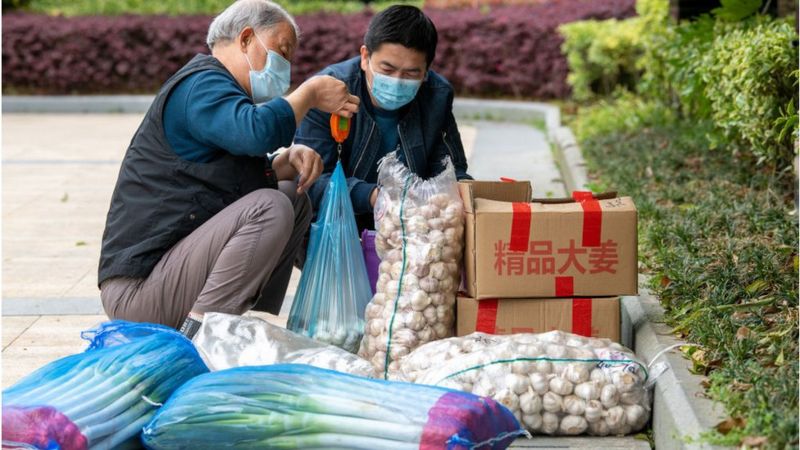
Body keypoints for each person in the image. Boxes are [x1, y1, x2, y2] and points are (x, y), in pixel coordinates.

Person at [97, 0, 360, 338]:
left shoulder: (222, 94)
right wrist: (308, 94)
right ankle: (201, 333)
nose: (286, 68)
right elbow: (255, 132)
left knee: (290, 197)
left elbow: (225, 180)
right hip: (140, 289)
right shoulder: (202, 84)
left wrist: (281, 163)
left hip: (173, 274)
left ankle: (225, 318)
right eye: (281, 52)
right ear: (246, 38)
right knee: (271, 206)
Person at [294, 5, 471, 232]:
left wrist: (466, 195)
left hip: (414, 229)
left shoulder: (437, 95)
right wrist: (372, 196)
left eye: (411, 73)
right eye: (387, 70)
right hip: (337, 229)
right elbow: (310, 182)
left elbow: (450, 170)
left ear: (426, 71)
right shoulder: (326, 93)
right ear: (365, 57)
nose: (397, 81)